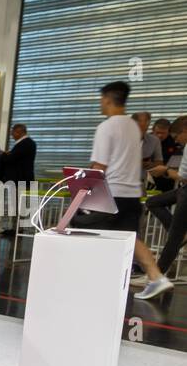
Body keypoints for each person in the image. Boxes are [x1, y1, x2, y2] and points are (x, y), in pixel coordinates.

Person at [69, 82, 171, 300]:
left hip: (111, 193)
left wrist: (83, 193)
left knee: (82, 228)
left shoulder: (106, 127)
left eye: (101, 99)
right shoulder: (133, 127)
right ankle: (156, 277)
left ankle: (84, 281)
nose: (100, 103)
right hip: (132, 194)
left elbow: (99, 167)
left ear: (107, 99)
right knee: (131, 238)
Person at [143, 115, 187, 279]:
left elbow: (183, 177)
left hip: (185, 190)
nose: (177, 140)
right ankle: (179, 232)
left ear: (184, 131)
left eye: (176, 136)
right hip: (182, 190)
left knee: (174, 237)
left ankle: (157, 277)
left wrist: (165, 170)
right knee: (153, 202)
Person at [133, 111, 166, 189]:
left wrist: (151, 164)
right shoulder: (122, 139)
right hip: (123, 180)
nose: (144, 125)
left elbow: (160, 162)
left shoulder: (154, 140)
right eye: (140, 122)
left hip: (143, 181)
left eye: (146, 123)